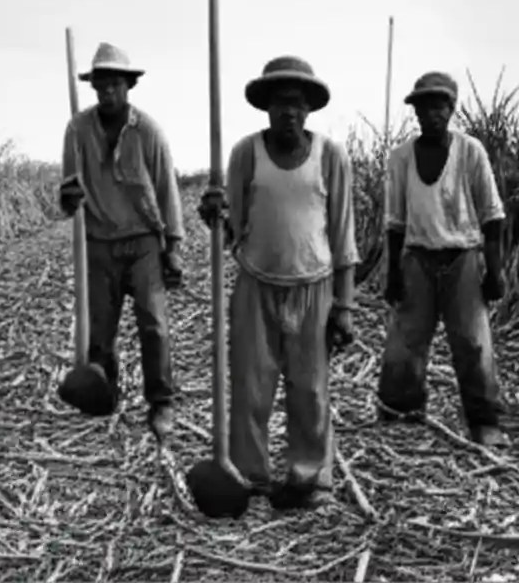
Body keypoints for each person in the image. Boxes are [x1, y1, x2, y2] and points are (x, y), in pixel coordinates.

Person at [198, 55, 358, 510]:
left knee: (310, 388)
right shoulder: (246, 153)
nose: (289, 111)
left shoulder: (331, 156)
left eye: (297, 103)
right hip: (256, 285)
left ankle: (311, 480)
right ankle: (251, 477)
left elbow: (343, 235)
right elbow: (231, 230)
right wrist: (215, 213)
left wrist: (344, 307)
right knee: (251, 384)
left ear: (309, 109)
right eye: (280, 103)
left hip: (315, 288)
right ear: (266, 108)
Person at [58, 42, 184, 438]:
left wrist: (173, 248)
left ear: (128, 86)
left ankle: (161, 402)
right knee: (100, 328)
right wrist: (69, 197)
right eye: (101, 85)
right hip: (99, 241)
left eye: (114, 84)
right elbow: (67, 188)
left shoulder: (147, 131)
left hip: (143, 240)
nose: (107, 92)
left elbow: (167, 189)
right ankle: (102, 394)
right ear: (94, 87)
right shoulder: (78, 129)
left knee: (154, 323)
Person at [378, 72, 510, 447]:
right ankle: (401, 415)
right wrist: (392, 273)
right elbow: (395, 222)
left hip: (463, 258)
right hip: (418, 258)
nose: (431, 113)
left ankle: (485, 421)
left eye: (439, 105)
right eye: (423, 106)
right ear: (415, 112)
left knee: (473, 342)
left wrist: (495, 271)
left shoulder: (470, 152)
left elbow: (492, 215)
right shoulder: (401, 157)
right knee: (405, 340)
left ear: (451, 109)